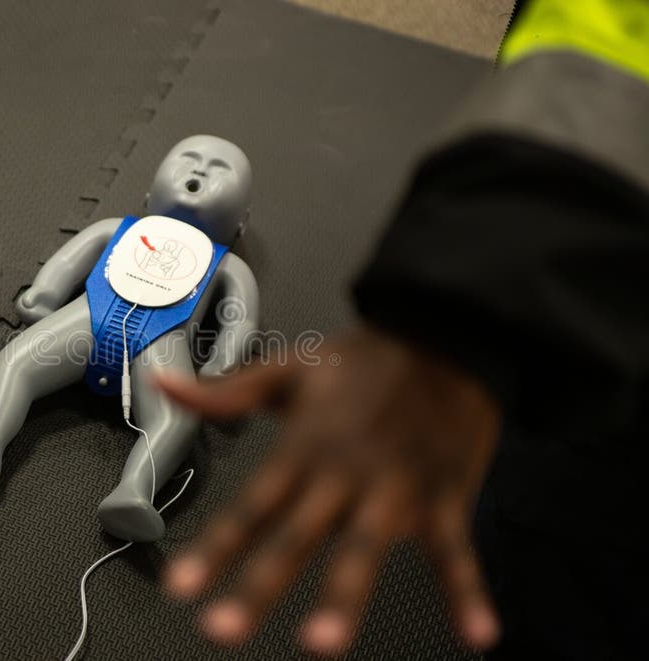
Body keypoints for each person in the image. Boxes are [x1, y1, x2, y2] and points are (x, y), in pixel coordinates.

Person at [157, 1, 649, 658]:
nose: (197, 173)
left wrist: (225, 354)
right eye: (193, 159)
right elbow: (613, 39)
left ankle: (140, 484)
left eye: (219, 170)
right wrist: (477, 311)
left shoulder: (224, 267)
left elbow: (236, 315)